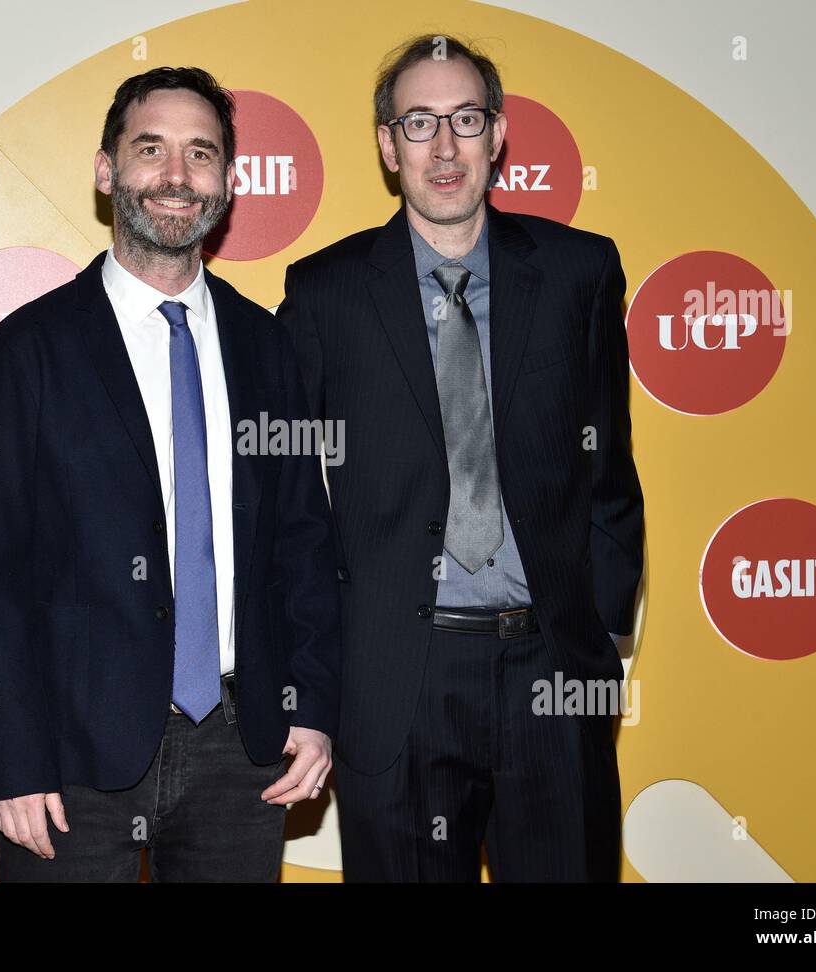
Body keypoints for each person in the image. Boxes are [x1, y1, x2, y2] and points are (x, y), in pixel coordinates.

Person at [0, 66, 339, 882]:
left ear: (228, 183)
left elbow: (302, 540)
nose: (176, 176)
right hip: (67, 759)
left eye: (200, 155)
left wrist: (313, 707)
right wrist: (10, 761)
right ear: (107, 171)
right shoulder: (30, 351)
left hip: (243, 751)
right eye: (151, 150)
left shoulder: (268, 348)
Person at [276, 34, 644, 881]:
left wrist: (603, 632)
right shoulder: (324, 293)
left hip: (552, 674)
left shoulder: (578, 272)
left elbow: (609, 469)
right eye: (418, 122)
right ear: (384, 143)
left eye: (465, 119)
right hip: (398, 682)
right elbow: (288, 497)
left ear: (499, 133)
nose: (443, 148)